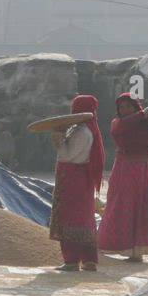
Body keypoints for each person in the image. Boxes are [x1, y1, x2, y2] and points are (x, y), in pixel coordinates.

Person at [98, 93, 148, 263]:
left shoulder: (146, 125)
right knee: (123, 206)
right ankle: (124, 247)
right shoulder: (117, 123)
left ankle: (141, 250)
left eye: (128, 106)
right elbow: (121, 128)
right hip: (124, 169)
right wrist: (142, 114)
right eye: (121, 107)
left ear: (135, 107)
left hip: (145, 168)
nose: (124, 110)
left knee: (146, 206)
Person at [48, 96, 105, 272]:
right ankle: (89, 260)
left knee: (70, 218)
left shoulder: (82, 132)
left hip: (73, 179)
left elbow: (67, 155)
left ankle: (71, 260)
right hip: (80, 179)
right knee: (84, 218)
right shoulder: (84, 129)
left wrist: (58, 139)